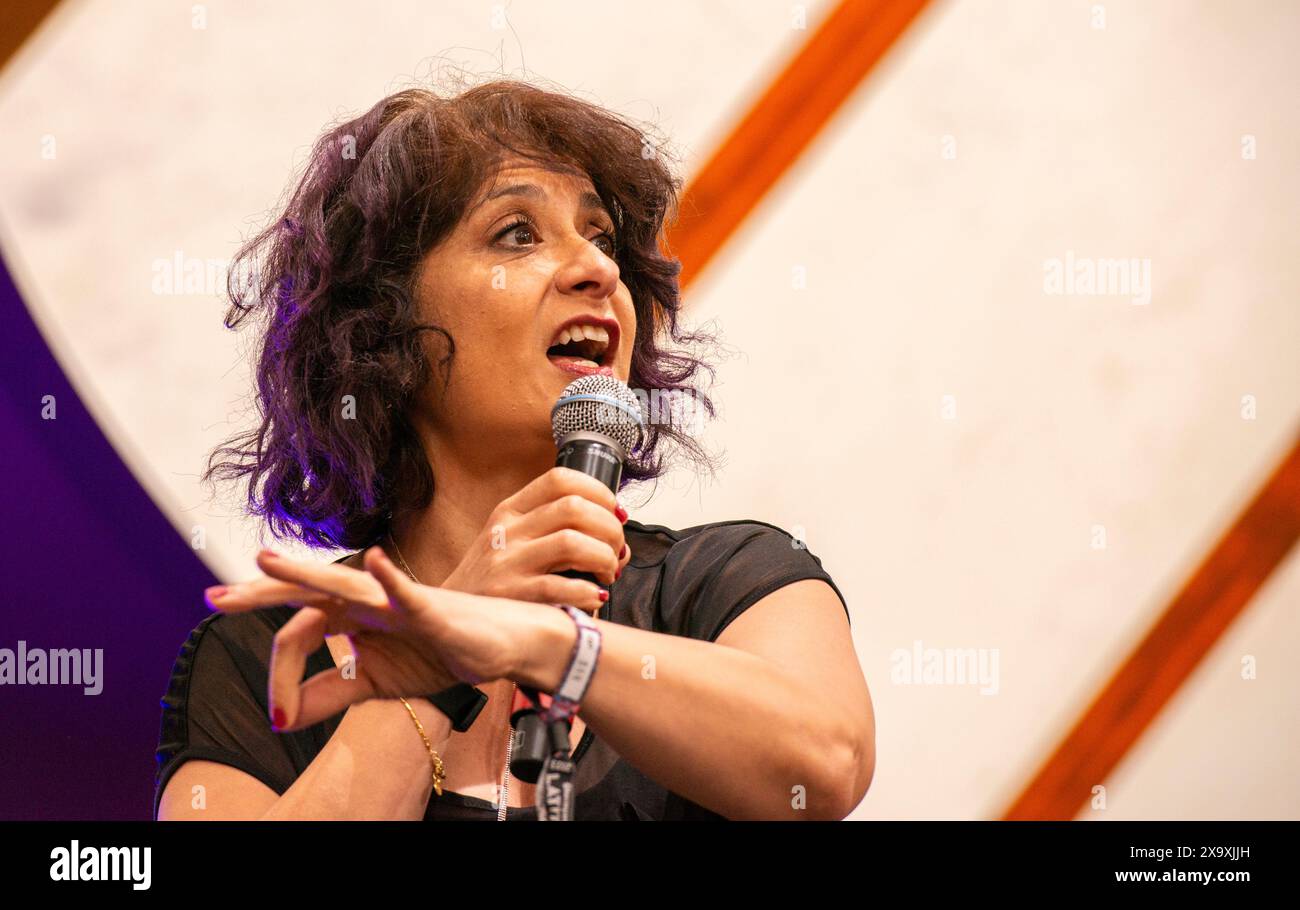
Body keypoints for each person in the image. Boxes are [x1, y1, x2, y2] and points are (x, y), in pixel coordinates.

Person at [153, 77, 874, 821]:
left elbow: (824, 767)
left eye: (600, 237)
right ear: (386, 329)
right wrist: (436, 658)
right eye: (517, 234)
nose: (599, 270)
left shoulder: (723, 586)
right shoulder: (268, 660)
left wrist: (541, 644)